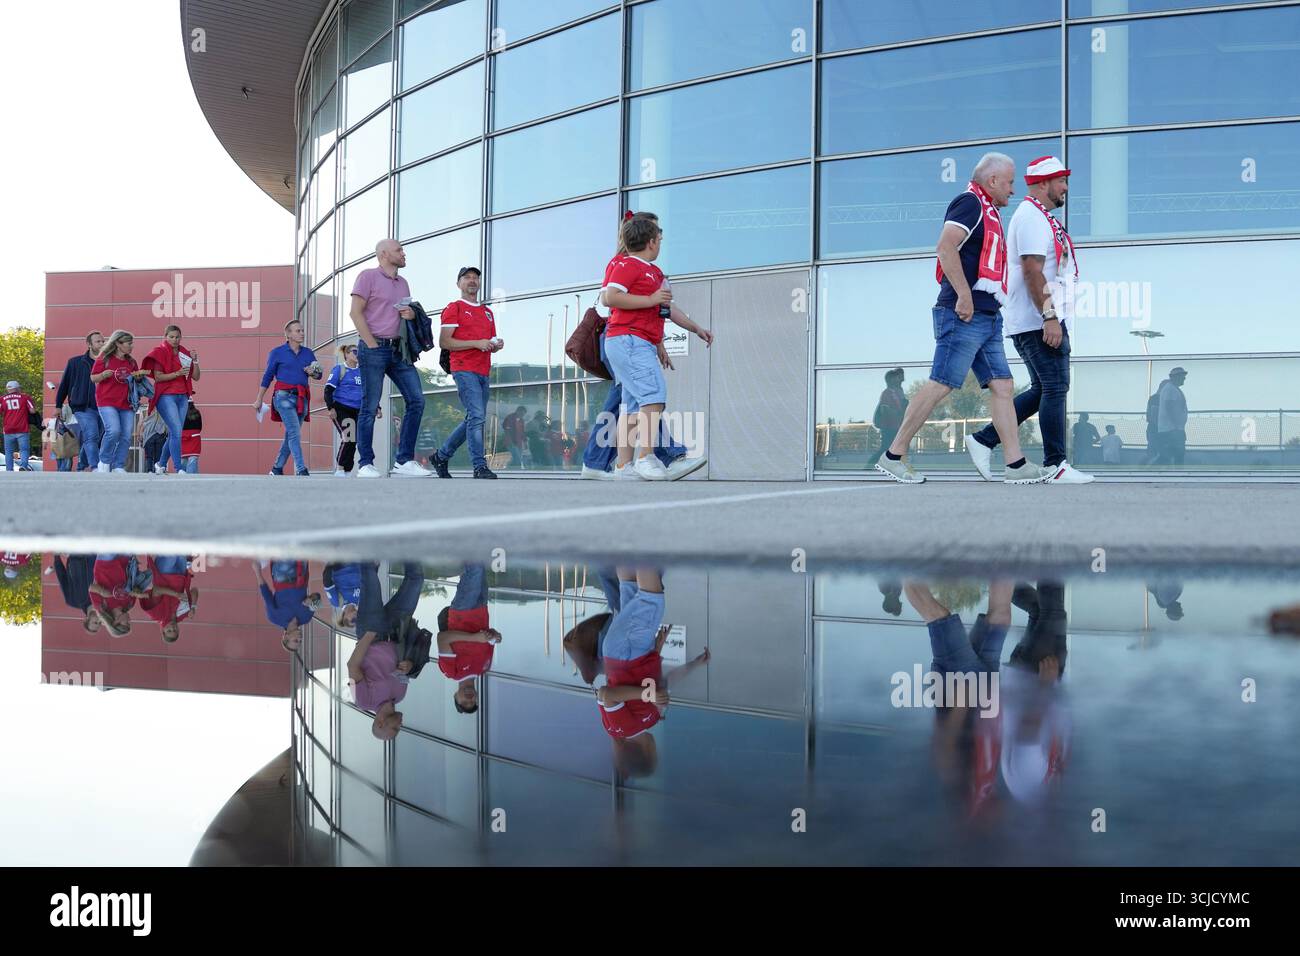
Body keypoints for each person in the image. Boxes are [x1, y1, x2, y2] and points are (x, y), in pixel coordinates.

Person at [876, 154, 1051, 484]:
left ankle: (1015, 465)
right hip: (963, 313)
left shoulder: (990, 214)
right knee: (942, 382)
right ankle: (893, 455)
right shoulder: (969, 204)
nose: (1014, 190)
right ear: (993, 180)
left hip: (987, 317)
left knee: (1002, 385)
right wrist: (965, 294)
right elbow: (945, 247)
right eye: (1011, 182)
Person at [960, 156, 1092, 485]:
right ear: (1044, 183)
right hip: (1039, 320)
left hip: (1039, 319)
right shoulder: (1031, 217)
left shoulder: (1040, 217)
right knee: (1055, 387)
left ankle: (984, 439)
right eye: (1061, 181)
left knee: (1044, 388)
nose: (1065, 187)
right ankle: (1055, 464)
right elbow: (1033, 270)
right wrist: (1049, 317)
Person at [582, 212, 704, 481]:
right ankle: (646, 457)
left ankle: (624, 466)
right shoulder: (627, 265)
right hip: (628, 340)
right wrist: (650, 298)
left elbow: (666, 309)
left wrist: (695, 328)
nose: (660, 241)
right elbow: (609, 298)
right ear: (651, 242)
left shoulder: (655, 272)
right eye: (659, 237)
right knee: (654, 396)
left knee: (631, 406)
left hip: (640, 341)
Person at [594, 567, 708, 779]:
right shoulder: (651, 718)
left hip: (627, 653)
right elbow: (663, 681)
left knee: (652, 598)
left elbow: (606, 694)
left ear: (647, 753)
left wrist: (648, 695)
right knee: (630, 586)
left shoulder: (623, 728)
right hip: (631, 652)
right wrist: (690, 662)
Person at [348, 238, 431, 478]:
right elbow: (355, 312)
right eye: (399, 250)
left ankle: (403, 461)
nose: (404, 253)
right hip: (374, 347)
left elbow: (402, 315)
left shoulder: (403, 283)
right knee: (369, 406)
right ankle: (365, 464)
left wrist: (411, 314)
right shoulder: (367, 276)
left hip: (399, 350)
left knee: (417, 400)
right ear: (384, 254)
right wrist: (372, 345)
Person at [429, 267, 501, 479]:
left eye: (476, 278)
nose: (472, 281)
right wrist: (477, 343)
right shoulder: (455, 308)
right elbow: (445, 341)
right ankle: (479, 466)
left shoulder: (488, 312)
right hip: (463, 368)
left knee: (473, 418)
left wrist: (495, 345)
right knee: (477, 416)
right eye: (467, 277)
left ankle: (441, 456)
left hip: (483, 370)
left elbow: (489, 342)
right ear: (459, 283)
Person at [348, 563, 428, 739]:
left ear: (380, 723)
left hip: (371, 631)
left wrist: (369, 635)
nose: (400, 726)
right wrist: (408, 665)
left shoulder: (363, 701)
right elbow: (403, 665)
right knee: (416, 580)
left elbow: (352, 666)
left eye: (395, 729)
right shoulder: (400, 696)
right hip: (396, 629)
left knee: (369, 574)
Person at [255, 319, 323, 476]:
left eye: (302, 330)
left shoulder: (308, 353)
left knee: (291, 434)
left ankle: (276, 468)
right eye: (298, 331)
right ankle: (301, 469)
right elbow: (267, 377)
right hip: (283, 397)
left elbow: (318, 375)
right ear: (288, 335)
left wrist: (313, 372)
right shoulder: (277, 352)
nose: (302, 333)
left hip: (302, 397)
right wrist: (259, 398)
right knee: (294, 433)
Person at [436, 563, 499, 714]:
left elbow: (443, 638)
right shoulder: (485, 667)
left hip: (463, 611)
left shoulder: (451, 671)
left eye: (464, 702)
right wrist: (495, 636)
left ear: (456, 696)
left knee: (475, 566)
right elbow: (489, 638)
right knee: (479, 566)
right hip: (482, 609)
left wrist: (474, 638)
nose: (469, 699)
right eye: (473, 702)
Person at [142, 325, 198, 476]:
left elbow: (196, 376)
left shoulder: (184, 352)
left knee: (175, 432)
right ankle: (179, 467)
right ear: (165, 336)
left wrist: (195, 361)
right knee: (176, 431)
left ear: (181, 337)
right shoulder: (159, 352)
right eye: (171, 337)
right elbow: (158, 376)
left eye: (177, 337)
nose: (174, 340)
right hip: (166, 395)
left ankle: (160, 465)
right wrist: (177, 373)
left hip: (183, 396)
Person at [91, 330, 148, 474]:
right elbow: (93, 378)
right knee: (114, 430)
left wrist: (139, 376)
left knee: (126, 435)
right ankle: (104, 462)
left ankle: (118, 465)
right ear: (118, 344)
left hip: (126, 403)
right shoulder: (104, 358)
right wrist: (103, 375)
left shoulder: (131, 362)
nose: (131, 346)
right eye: (129, 343)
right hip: (106, 401)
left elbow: (135, 380)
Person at [55, 330, 104, 470]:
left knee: (97, 439)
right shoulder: (75, 362)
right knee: (92, 435)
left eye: (103, 341)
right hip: (83, 407)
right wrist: (58, 405)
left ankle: (82, 465)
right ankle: (96, 467)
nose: (101, 344)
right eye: (98, 341)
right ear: (89, 344)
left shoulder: (108, 361)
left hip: (104, 407)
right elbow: (64, 385)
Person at [324, 343, 371, 476]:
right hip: (342, 408)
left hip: (358, 410)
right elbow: (328, 390)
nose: (357, 354)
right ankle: (340, 468)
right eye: (354, 352)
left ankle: (347, 470)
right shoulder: (339, 369)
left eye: (359, 352)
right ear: (347, 354)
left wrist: (377, 407)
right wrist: (330, 408)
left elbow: (367, 391)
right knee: (348, 437)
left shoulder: (361, 370)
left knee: (354, 440)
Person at [254, 560, 320, 651]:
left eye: (296, 641)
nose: (300, 639)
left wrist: (258, 572)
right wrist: (311, 599)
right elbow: (318, 597)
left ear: (286, 637)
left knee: (287, 547)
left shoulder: (275, 618)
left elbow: (266, 595)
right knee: (302, 547)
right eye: (300, 641)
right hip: (301, 574)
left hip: (282, 576)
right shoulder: (306, 618)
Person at [139, 555, 198, 643]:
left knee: (174, 547)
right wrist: (193, 607)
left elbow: (156, 589)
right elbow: (194, 590)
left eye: (169, 631)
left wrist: (176, 594)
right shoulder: (184, 615)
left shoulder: (157, 615)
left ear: (162, 630)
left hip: (164, 573)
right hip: (181, 574)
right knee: (183, 546)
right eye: (175, 630)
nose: (172, 628)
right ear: (178, 630)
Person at [53, 554, 100, 633]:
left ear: (86, 619)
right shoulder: (103, 600)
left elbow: (62, 578)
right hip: (97, 556)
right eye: (100, 623)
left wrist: (57, 557)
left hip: (76, 556)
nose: (98, 620)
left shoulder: (72, 601)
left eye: (95, 622)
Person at [870, 368, 908, 466]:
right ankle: (869, 466)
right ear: (891, 380)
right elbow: (885, 410)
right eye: (897, 377)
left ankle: (895, 466)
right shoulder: (887, 393)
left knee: (895, 448)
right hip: (889, 427)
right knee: (886, 448)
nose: (900, 379)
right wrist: (898, 414)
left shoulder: (899, 392)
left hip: (897, 426)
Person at [1152, 367, 1189, 465]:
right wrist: (1176, 425)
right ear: (1176, 377)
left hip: (1173, 430)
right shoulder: (1170, 389)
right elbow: (1170, 407)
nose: (1184, 379)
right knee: (1173, 457)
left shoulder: (1173, 389)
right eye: (1182, 376)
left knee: (1170, 456)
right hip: (1171, 431)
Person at [2, 382, 36, 471]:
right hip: (22, 428)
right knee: (24, 449)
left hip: (8, 429)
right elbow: (32, 411)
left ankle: (9, 469)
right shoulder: (25, 397)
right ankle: (23, 466)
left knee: (8, 451)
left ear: (8, 389)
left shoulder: (2, 399)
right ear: (17, 388)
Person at [180, 402, 202, 474]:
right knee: (193, 458)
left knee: (183, 459)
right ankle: (192, 477)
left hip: (183, 438)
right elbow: (200, 427)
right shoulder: (197, 412)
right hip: (195, 438)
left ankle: (182, 476)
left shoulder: (180, 412)